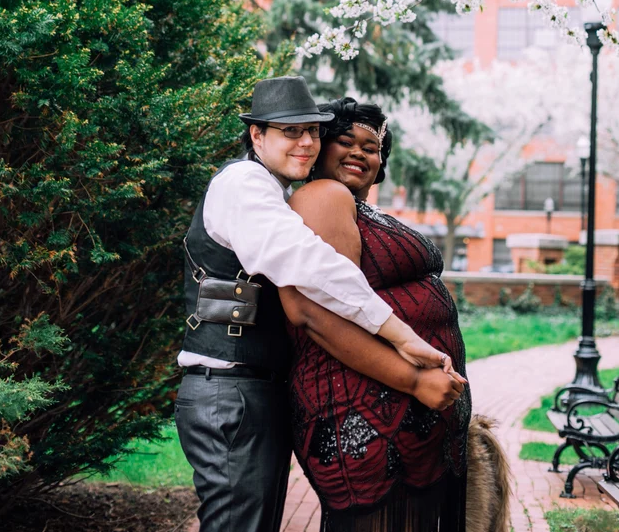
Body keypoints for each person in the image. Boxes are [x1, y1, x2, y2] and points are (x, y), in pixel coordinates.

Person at [174, 76, 459, 532]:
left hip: (255, 390)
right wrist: (401, 337)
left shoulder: (277, 190)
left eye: (311, 130)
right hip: (229, 390)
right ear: (256, 135)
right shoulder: (242, 183)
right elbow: (309, 265)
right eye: (290, 131)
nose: (305, 142)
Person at [280, 97, 471, 532]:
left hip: (404, 424)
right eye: (345, 141)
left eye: (372, 147)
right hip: (364, 415)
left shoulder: (357, 206)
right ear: (320, 147)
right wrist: (415, 381)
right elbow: (319, 314)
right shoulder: (323, 196)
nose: (359, 153)